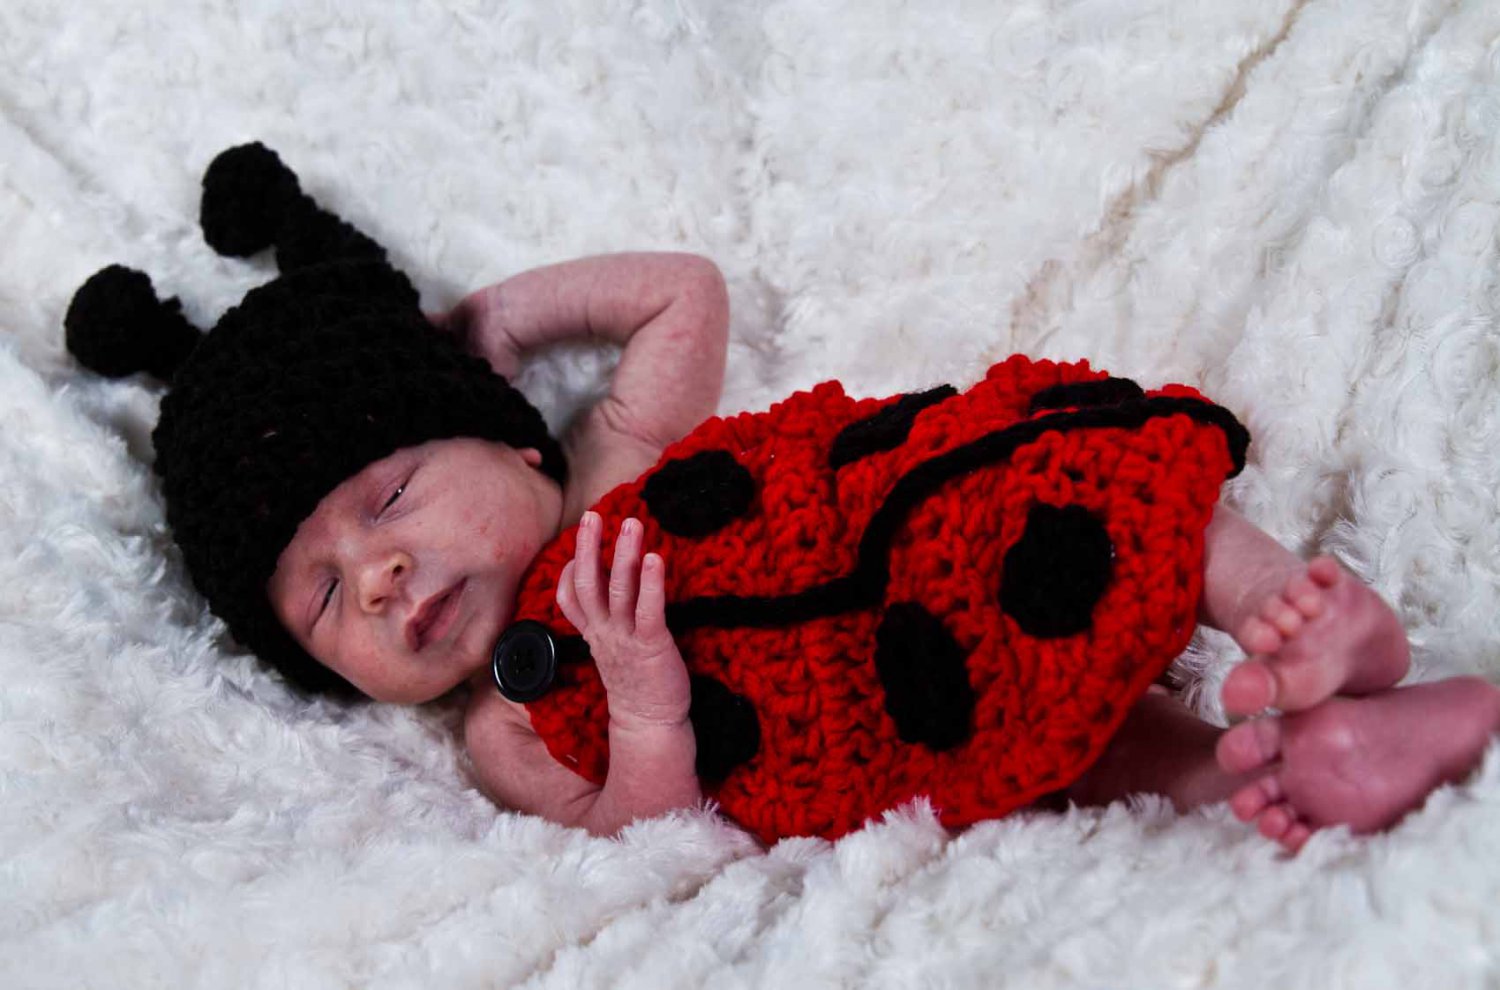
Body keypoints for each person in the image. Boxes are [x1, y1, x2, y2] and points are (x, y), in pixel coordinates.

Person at [66, 144, 1500, 854]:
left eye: (389, 492)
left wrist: (493, 319)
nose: (378, 574)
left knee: (1067, 471)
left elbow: (682, 293)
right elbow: (652, 825)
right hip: (898, 714)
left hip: (934, 534)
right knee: (1063, 753)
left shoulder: (607, 470)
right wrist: (638, 695)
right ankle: (1288, 761)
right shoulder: (510, 725)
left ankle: (1287, 610)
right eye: (321, 595)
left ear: (506, 446)